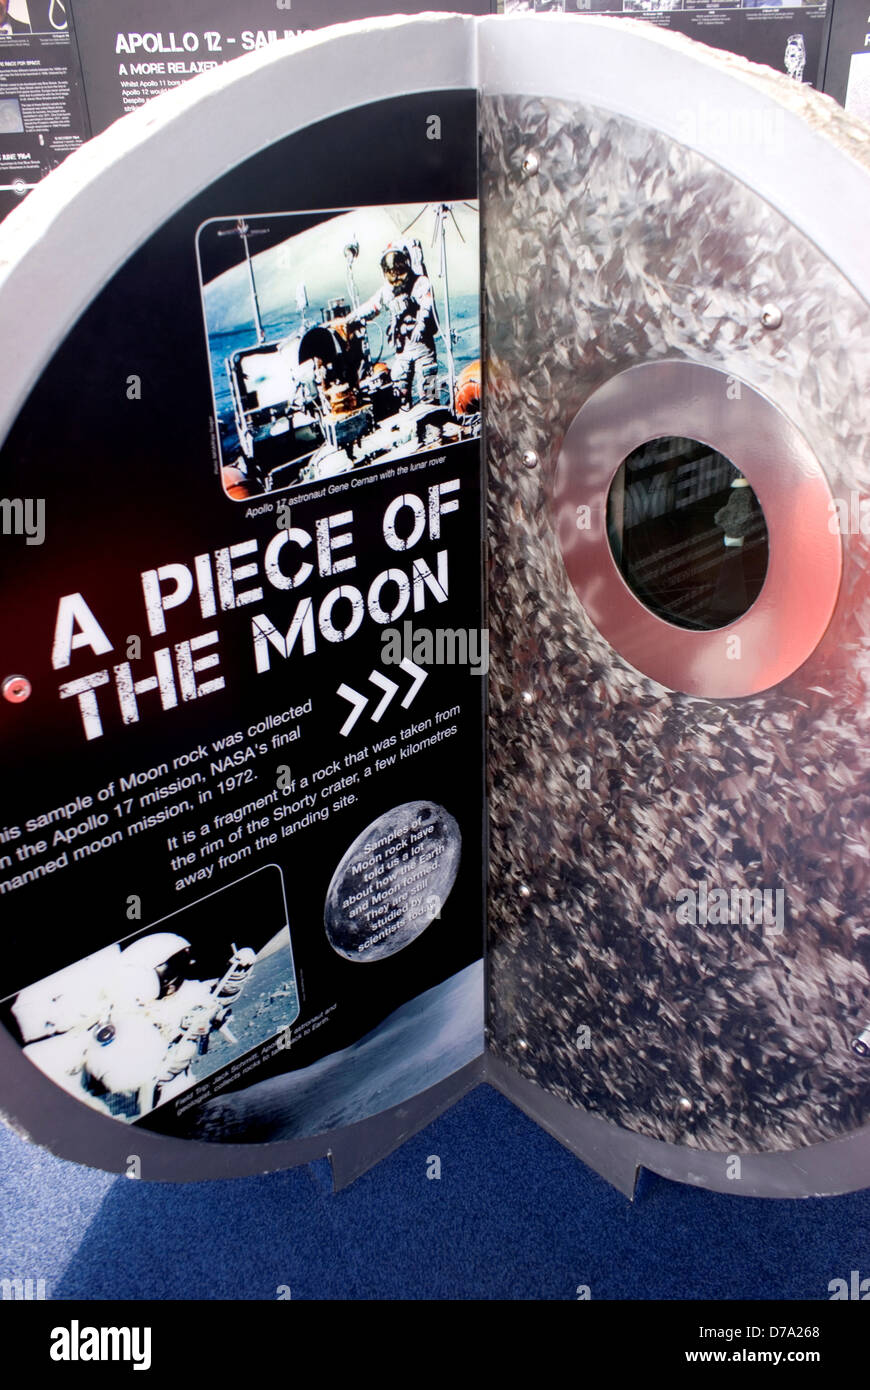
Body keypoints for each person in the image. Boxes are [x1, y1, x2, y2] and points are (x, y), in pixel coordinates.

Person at [338, 242, 439, 410]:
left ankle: (434, 427)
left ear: (406, 264)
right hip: (403, 349)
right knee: (400, 387)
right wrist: (351, 317)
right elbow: (371, 307)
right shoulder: (386, 292)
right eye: (392, 273)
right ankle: (408, 420)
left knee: (428, 389)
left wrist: (420, 325)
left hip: (422, 347)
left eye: (399, 271)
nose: (396, 277)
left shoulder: (419, 283)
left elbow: (427, 303)